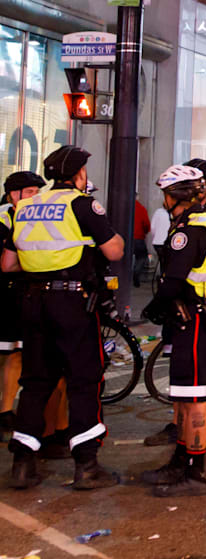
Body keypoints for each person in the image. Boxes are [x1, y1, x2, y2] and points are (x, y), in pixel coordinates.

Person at [2, 145, 124, 490]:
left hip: (32, 302)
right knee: (83, 380)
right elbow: (114, 250)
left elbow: (7, 264)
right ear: (79, 174)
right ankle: (86, 465)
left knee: (36, 381)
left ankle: (22, 463)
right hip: (72, 302)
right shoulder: (82, 204)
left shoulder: (25, 207)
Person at [138, 165, 206, 496]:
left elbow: (174, 279)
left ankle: (194, 472)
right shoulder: (205, 221)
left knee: (193, 398)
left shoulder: (188, 231)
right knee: (185, 395)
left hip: (196, 318)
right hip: (200, 316)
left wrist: (154, 306)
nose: (163, 201)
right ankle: (180, 460)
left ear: (175, 197)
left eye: (165, 195)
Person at [0, 172, 45, 442]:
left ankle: (5, 411)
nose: (34, 197)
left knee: (16, 353)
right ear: (11, 195)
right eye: (29, 192)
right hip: (5, 293)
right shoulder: (3, 219)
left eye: (37, 192)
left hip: (22, 294)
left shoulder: (35, 218)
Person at [133, 194, 151, 287]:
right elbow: (146, 224)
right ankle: (136, 273)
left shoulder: (123, 206)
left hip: (124, 238)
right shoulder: (141, 208)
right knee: (141, 257)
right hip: (138, 238)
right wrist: (145, 231)